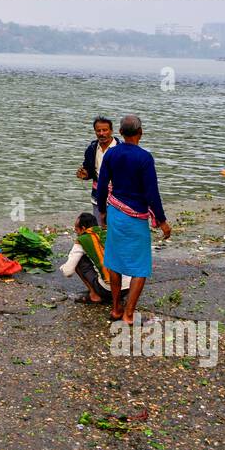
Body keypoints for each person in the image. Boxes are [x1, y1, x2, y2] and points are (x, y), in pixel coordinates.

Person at [97, 114, 172, 324]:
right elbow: (151, 193)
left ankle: (115, 309)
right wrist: (162, 220)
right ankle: (129, 313)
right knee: (140, 265)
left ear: (120, 132)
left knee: (114, 261)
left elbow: (102, 186)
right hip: (136, 217)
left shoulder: (111, 154)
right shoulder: (144, 158)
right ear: (141, 132)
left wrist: (102, 211)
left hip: (115, 212)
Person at [59, 211, 129, 305]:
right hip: (129, 288)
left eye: (76, 229)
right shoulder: (108, 232)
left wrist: (63, 267)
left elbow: (68, 272)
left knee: (79, 260)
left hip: (108, 290)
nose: (75, 231)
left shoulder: (83, 239)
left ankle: (94, 295)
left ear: (83, 228)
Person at [77, 116, 119, 222]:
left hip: (118, 197)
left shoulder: (121, 149)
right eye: (98, 130)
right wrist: (85, 175)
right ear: (95, 131)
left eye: (105, 130)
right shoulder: (91, 149)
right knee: (100, 227)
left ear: (111, 131)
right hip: (97, 195)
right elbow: (89, 170)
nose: (101, 133)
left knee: (117, 227)